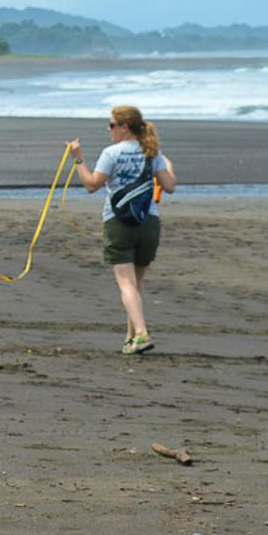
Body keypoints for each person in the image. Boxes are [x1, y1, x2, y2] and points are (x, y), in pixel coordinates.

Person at [69, 105, 177, 355]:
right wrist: (167, 165)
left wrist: (77, 157)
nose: (110, 131)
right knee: (137, 284)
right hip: (148, 221)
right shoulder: (152, 153)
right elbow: (169, 185)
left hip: (118, 221)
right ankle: (130, 338)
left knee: (127, 284)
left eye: (112, 125)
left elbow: (91, 184)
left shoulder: (112, 153)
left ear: (124, 127)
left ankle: (141, 333)